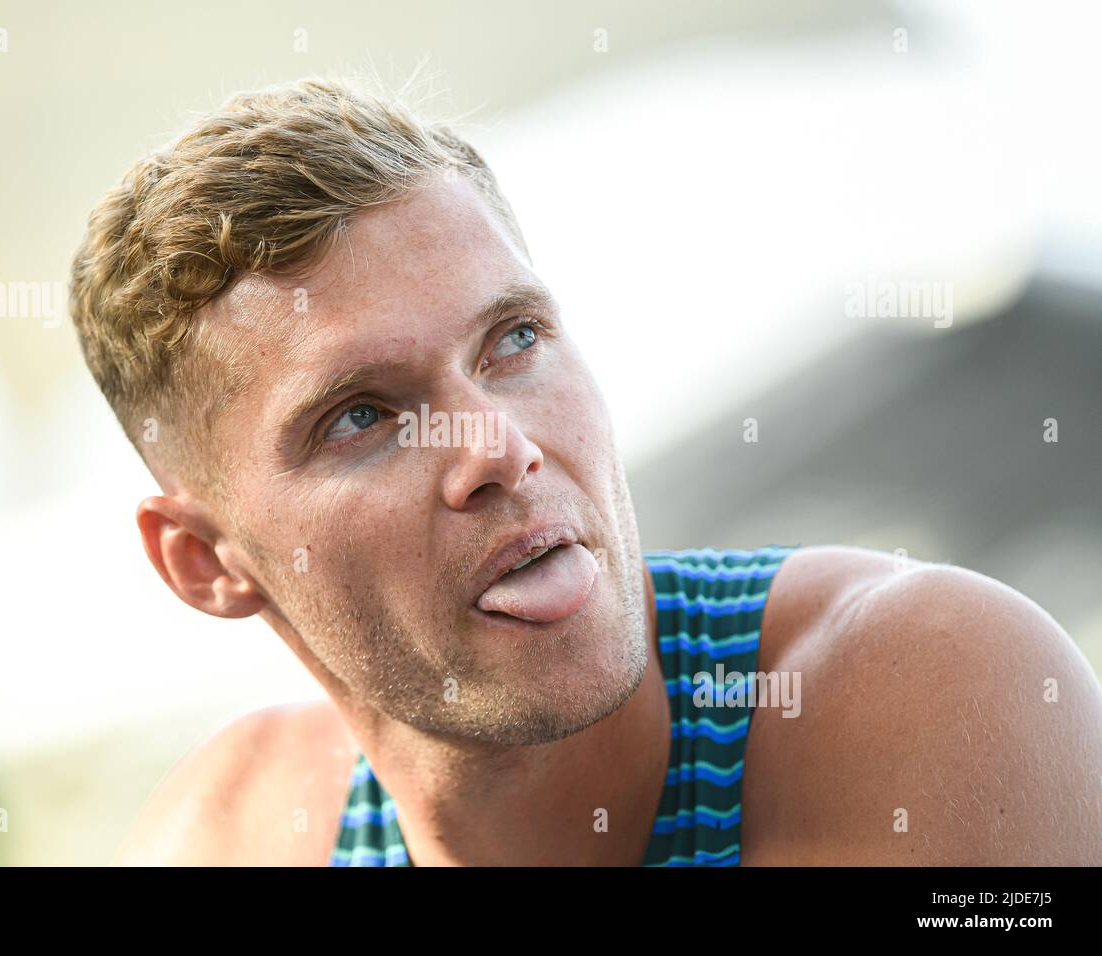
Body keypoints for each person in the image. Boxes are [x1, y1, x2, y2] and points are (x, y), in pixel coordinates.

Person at [67, 73, 1102, 866]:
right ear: (204, 559)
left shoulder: (932, 689)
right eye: (362, 416)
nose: (497, 447)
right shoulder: (235, 834)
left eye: (512, 340)